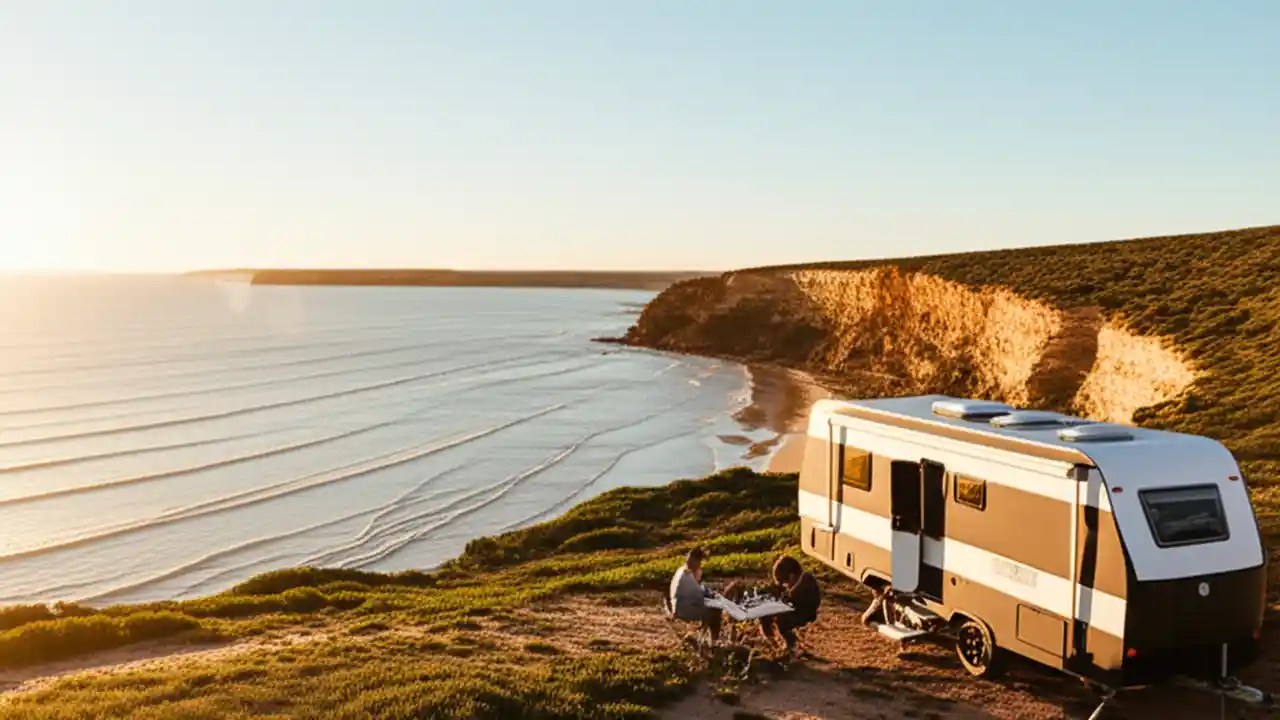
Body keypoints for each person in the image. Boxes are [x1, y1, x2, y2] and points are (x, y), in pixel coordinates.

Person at [759, 554, 821, 656]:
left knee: (781, 619)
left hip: (804, 612)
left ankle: (791, 645)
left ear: (792, 576)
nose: (786, 586)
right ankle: (772, 639)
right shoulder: (801, 581)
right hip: (798, 609)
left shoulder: (805, 581)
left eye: (785, 583)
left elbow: (795, 598)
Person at [669, 547, 723, 641]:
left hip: (680, 606)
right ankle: (713, 642)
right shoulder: (688, 575)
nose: (700, 564)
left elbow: (695, 590)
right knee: (715, 613)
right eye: (699, 561)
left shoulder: (682, 570)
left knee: (710, 607)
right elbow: (700, 596)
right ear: (694, 560)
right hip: (684, 609)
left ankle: (703, 636)